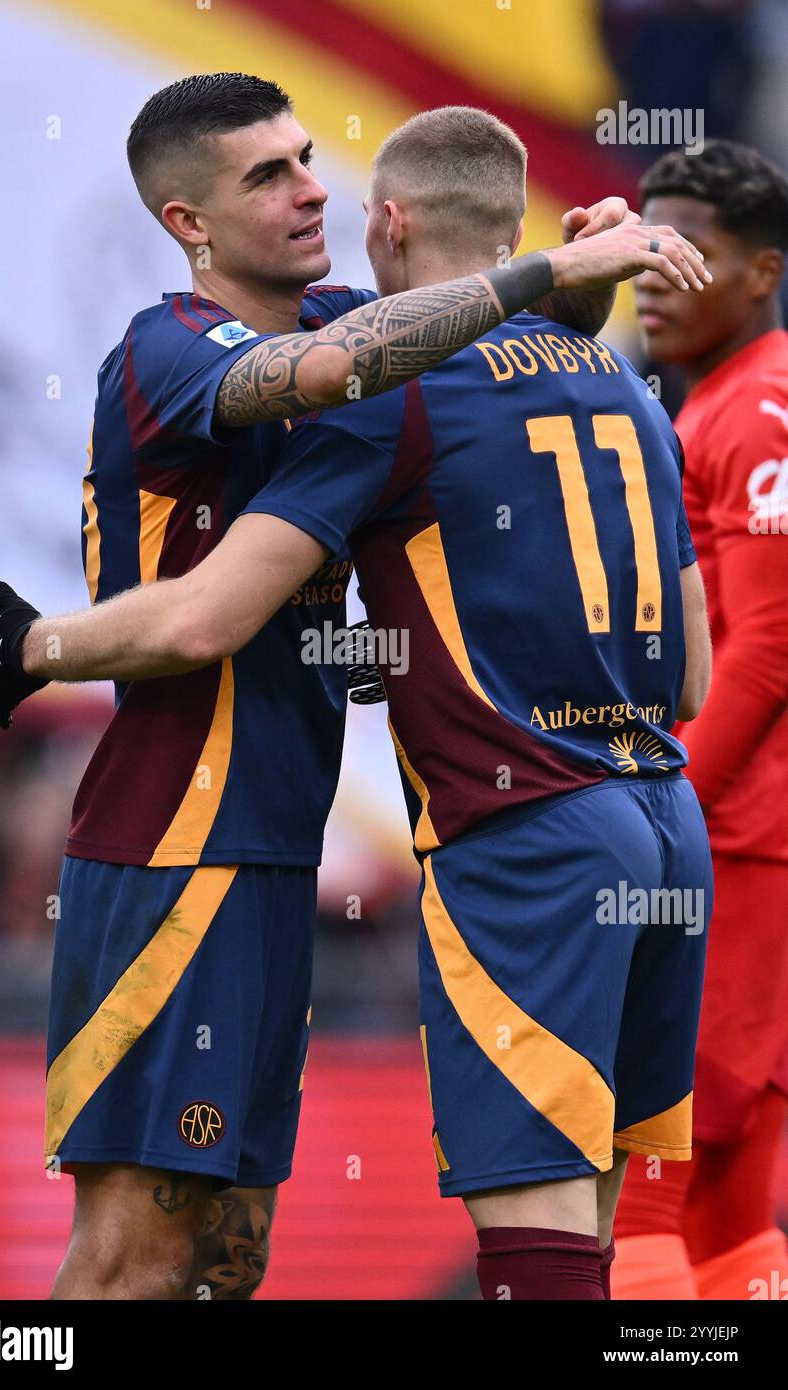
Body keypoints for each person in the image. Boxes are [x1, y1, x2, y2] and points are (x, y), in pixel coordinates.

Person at [0, 103, 711, 1300]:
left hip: (278, 844)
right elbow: (336, 382)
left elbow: (457, 340)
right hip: (176, 840)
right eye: (269, 176)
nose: (311, 189)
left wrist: (571, 289)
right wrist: (37, 648)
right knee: (135, 1263)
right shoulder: (170, 347)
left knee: (227, 1259)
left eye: (312, 160)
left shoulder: (366, 329)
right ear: (188, 223)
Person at [613, 140, 788, 1302]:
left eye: (693, 255)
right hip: (736, 832)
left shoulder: (761, 409)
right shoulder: (719, 403)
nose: (655, 277)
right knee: (723, 1167)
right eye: (647, 252)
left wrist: (669, 808)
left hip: (737, 837)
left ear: (761, 271)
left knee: (645, 1162)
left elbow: (769, 647)